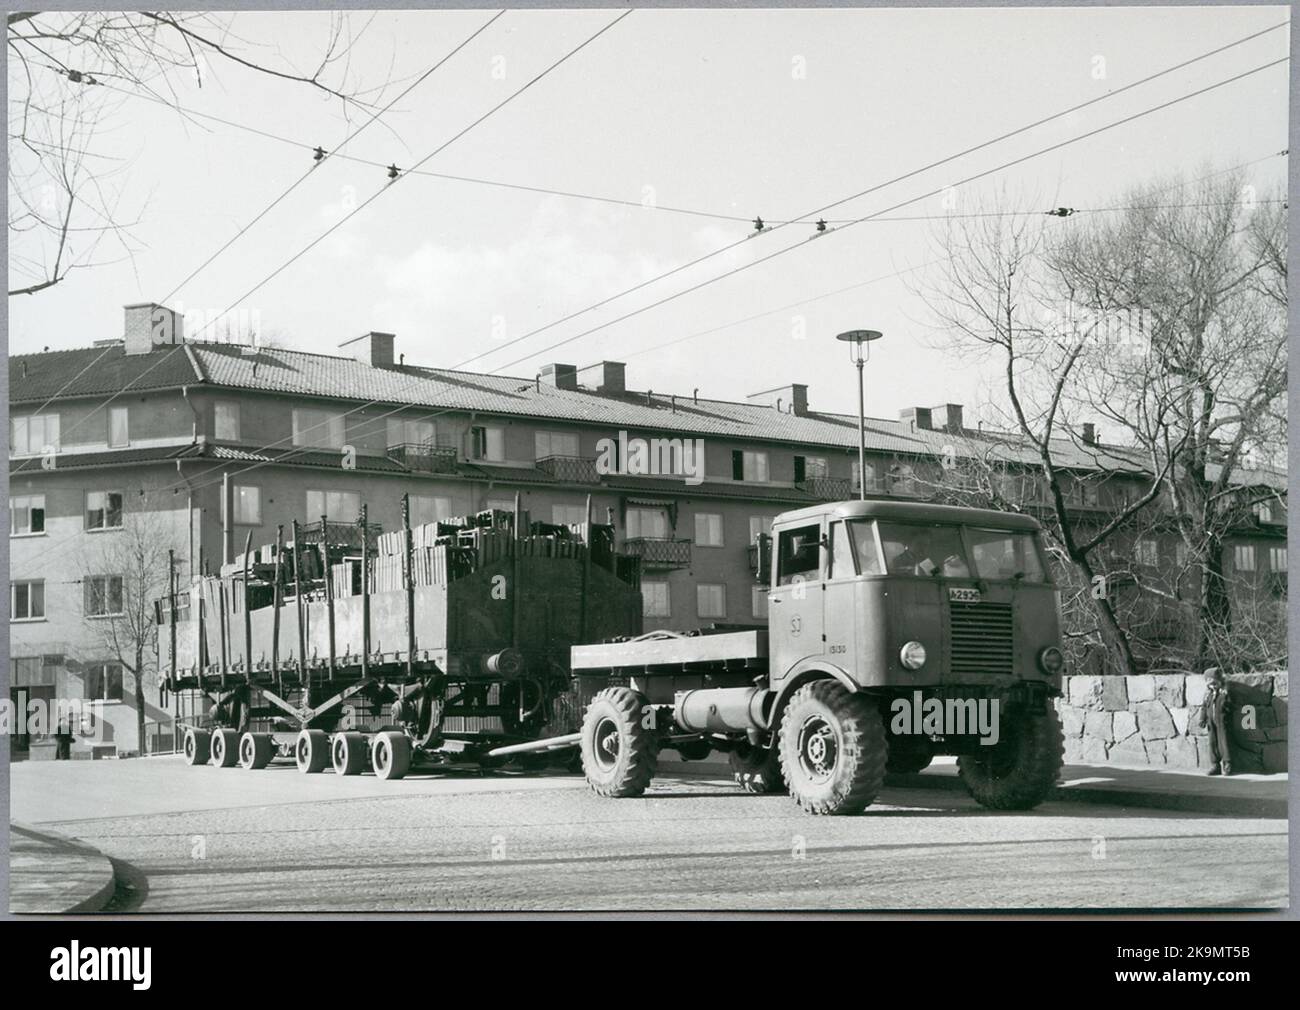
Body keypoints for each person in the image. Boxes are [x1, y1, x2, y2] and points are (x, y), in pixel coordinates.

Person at [1203, 667, 1232, 776]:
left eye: (1215, 683)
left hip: (1221, 722)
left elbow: (1230, 706)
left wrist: (1225, 703)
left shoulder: (1223, 694)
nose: (1213, 686)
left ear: (1220, 682)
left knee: (1223, 743)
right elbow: (1204, 707)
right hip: (1211, 723)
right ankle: (1215, 765)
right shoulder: (1208, 695)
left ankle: (1227, 764)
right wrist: (1203, 719)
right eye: (1211, 684)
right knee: (1212, 743)